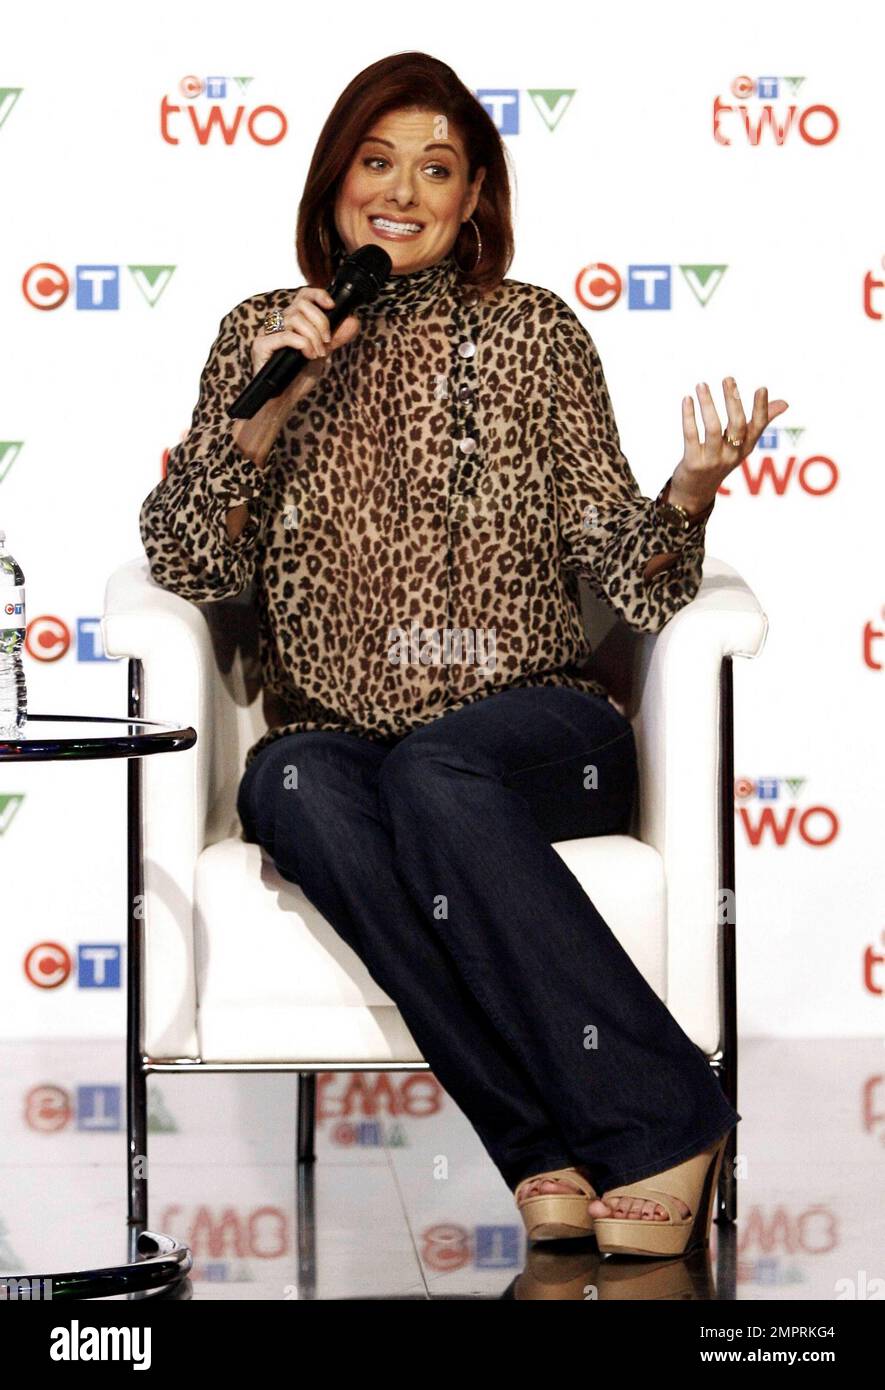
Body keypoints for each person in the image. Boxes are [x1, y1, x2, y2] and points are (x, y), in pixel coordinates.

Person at [139, 51, 788, 1258]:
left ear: (475, 194)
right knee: (290, 783)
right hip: (342, 734)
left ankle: (664, 1114)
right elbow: (186, 567)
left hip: (540, 727)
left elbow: (634, 576)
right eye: (376, 162)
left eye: (435, 168)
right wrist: (259, 422)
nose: (402, 190)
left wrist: (690, 494)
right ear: (335, 184)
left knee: (434, 770)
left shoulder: (533, 331)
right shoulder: (260, 337)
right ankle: (536, 1139)